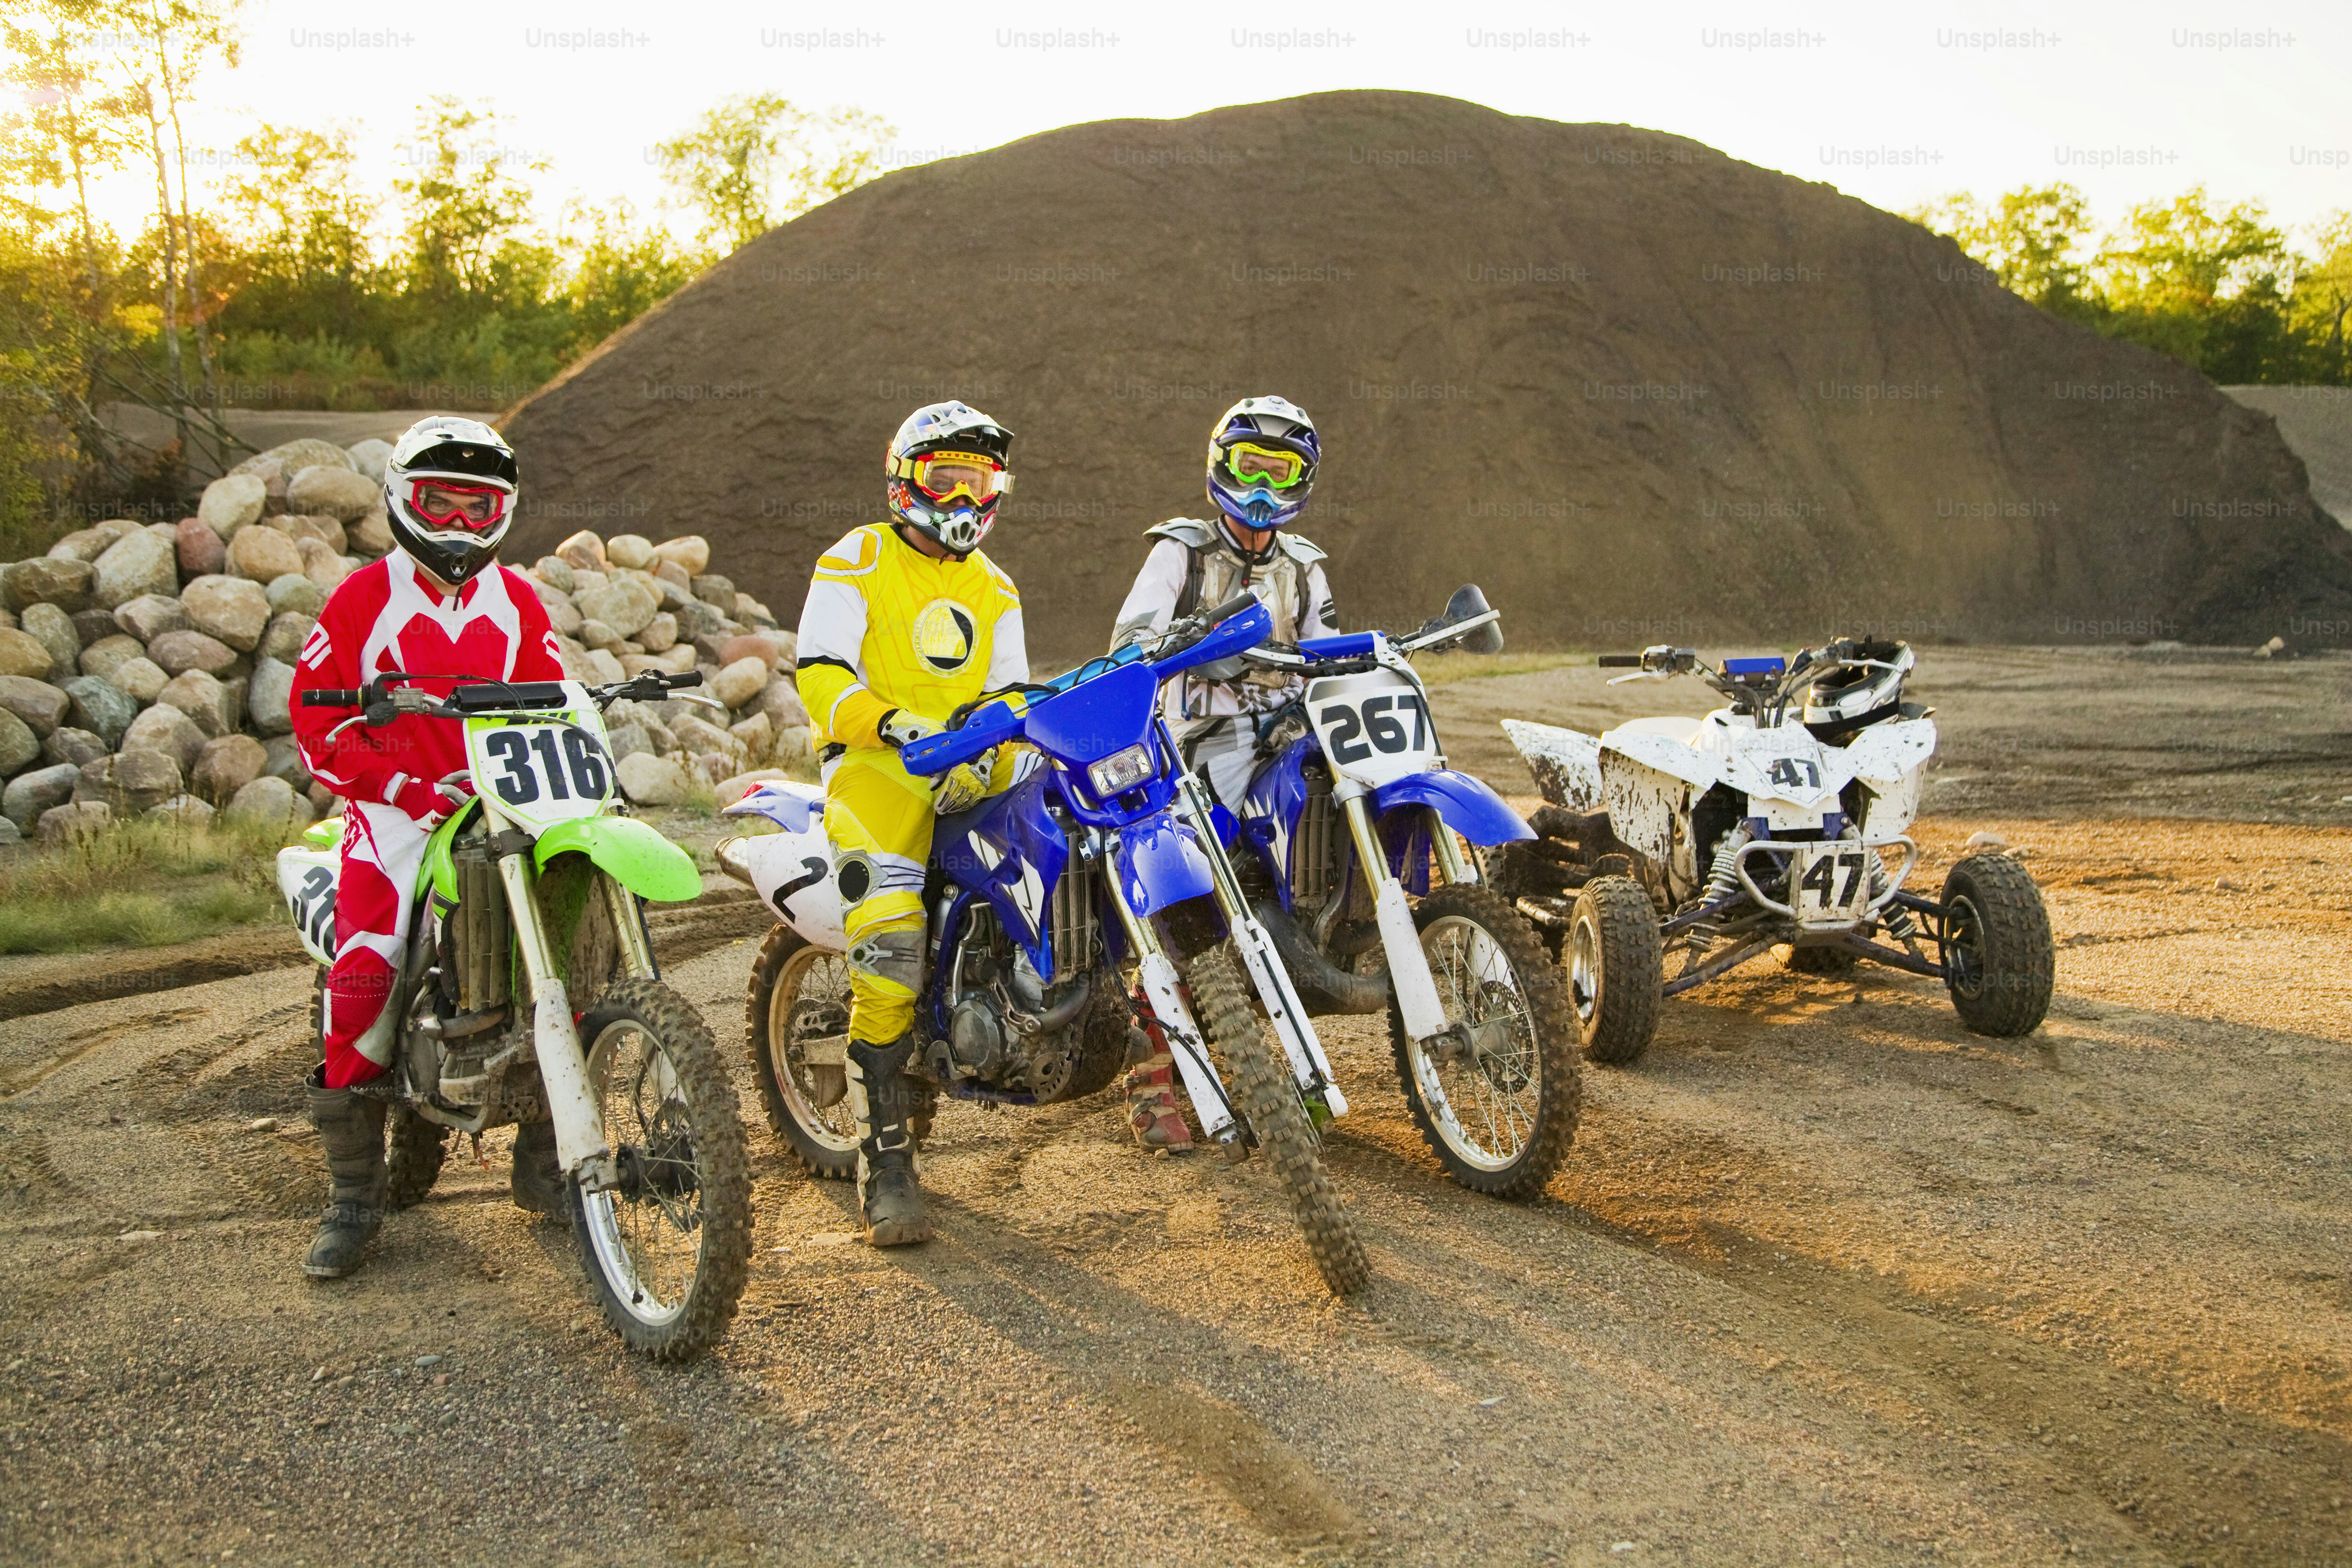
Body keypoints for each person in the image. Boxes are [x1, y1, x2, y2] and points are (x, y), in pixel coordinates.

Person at [288, 416, 567, 1279]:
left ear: (503, 509)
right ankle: (353, 1198)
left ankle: (547, 1162)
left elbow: (558, 701)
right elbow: (315, 717)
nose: (454, 520)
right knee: (370, 965)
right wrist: (401, 784)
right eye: (437, 501)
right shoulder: (364, 597)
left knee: (566, 950)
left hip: (500, 803)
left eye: (473, 504)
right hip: (398, 810)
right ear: (403, 502)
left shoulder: (518, 600)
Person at [795, 401, 1028, 1246]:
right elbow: (818, 671)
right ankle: (885, 1163)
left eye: (981, 481)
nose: (964, 498)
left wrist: (995, 739)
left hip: (968, 763)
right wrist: (892, 724)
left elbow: (1010, 689)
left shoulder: (994, 584)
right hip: (874, 767)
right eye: (947, 479)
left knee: (1067, 852)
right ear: (907, 481)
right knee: (890, 946)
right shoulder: (858, 557)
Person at [1106, 395, 1338, 1149]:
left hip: (1286, 737)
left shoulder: (1305, 567)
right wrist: (1170, 639)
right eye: (1251, 467)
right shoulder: (1182, 550)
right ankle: (1153, 1079)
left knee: (1316, 857)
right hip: (1197, 739)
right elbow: (1132, 631)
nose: (1265, 488)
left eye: (1283, 471)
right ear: (1221, 467)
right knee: (1185, 898)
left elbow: (1326, 653)